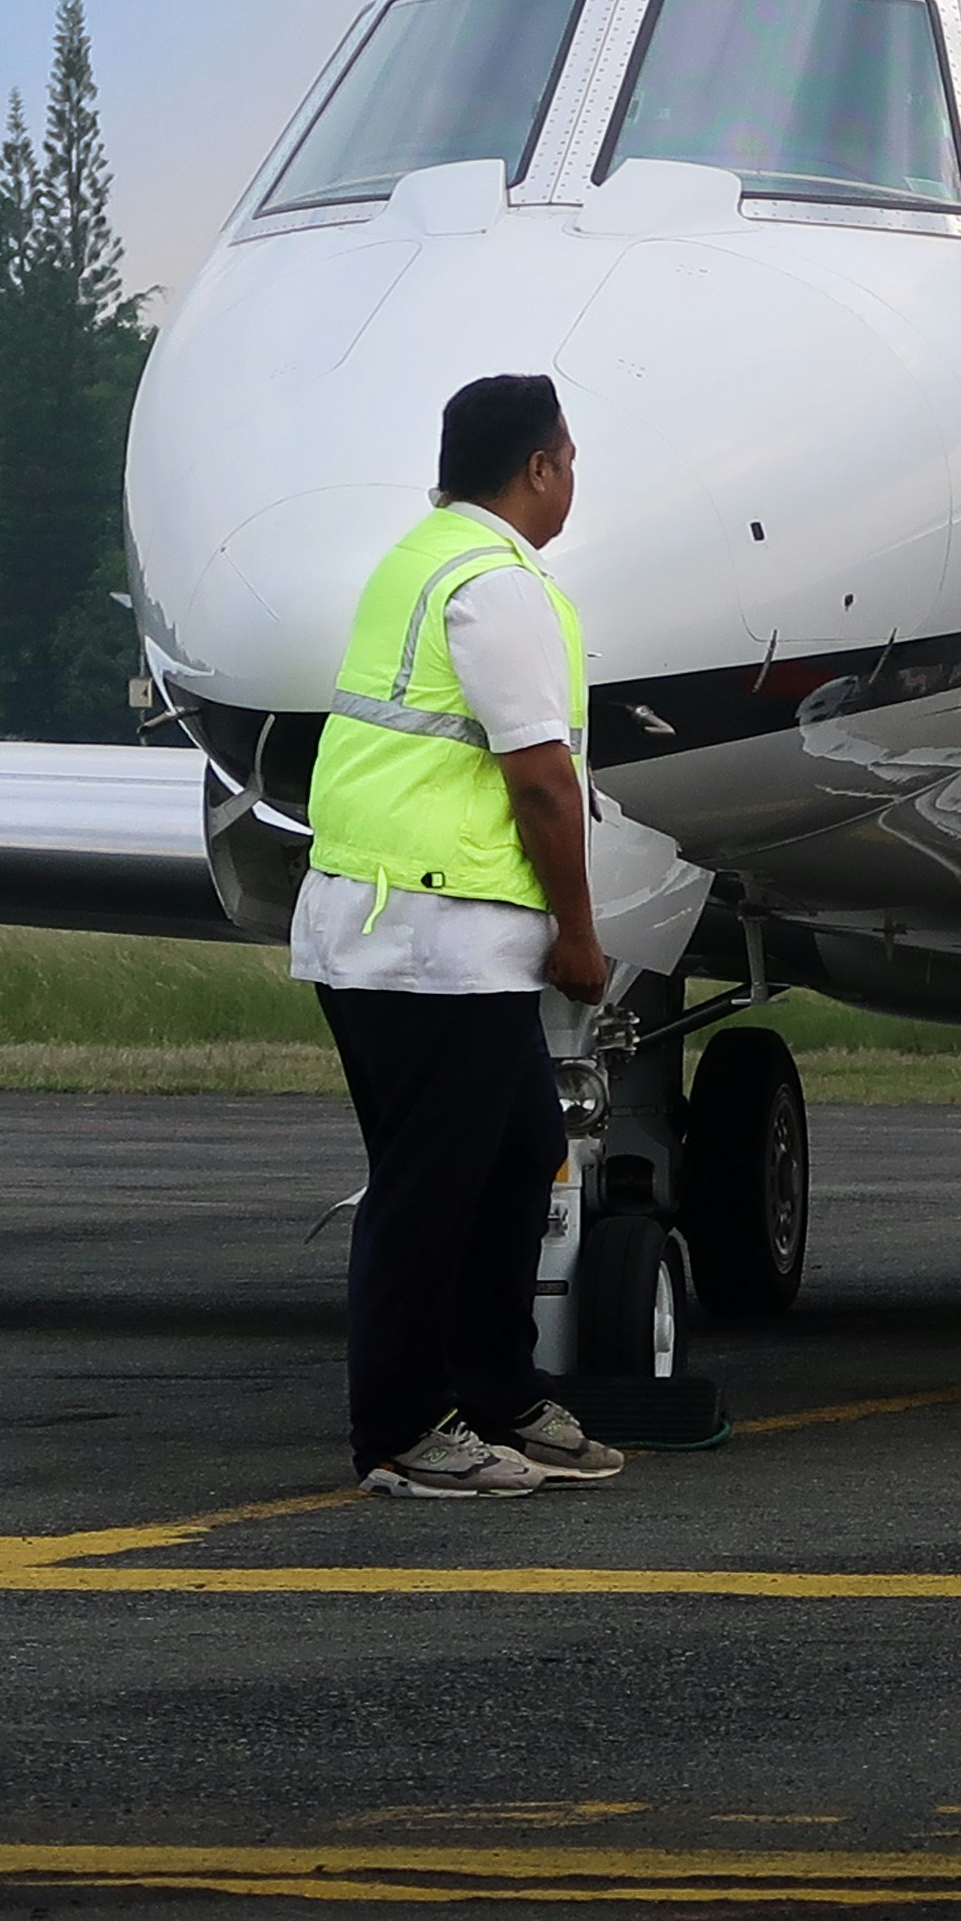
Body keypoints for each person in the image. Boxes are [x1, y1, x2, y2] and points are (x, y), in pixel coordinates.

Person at [297, 374, 626, 1498]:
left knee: (518, 1154)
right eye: (569, 457)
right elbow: (540, 779)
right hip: (430, 941)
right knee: (428, 1189)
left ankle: (497, 1391)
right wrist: (580, 936)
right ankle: (400, 1432)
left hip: (404, 929)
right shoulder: (498, 586)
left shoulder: (420, 559)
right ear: (538, 468)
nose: (573, 477)